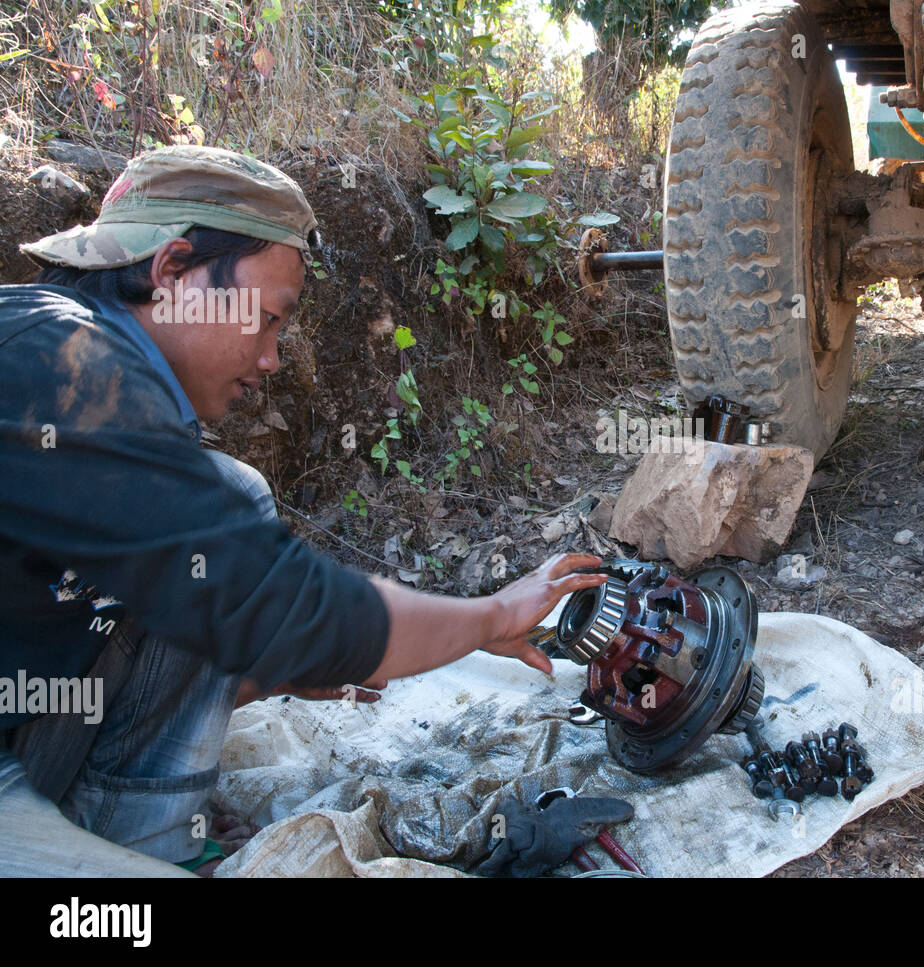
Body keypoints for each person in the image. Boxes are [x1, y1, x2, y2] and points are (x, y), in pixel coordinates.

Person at [0, 144, 604, 876]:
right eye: (267, 320)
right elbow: (286, 606)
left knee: (232, 497)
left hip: (31, 736)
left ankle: (148, 841)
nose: (272, 358)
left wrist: (278, 669)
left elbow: (186, 620)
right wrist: (489, 616)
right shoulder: (61, 362)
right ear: (172, 272)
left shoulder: (101, 376)